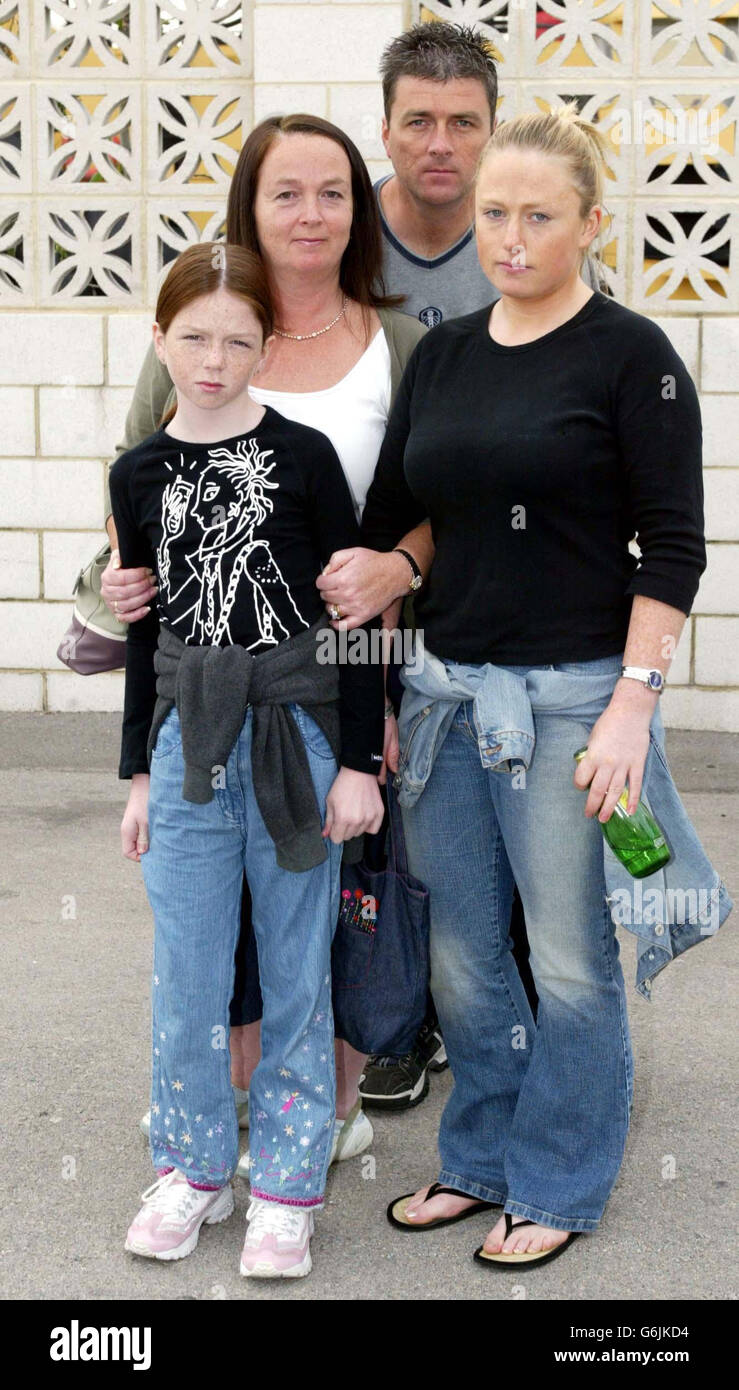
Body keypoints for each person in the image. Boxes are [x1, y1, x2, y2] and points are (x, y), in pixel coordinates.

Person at [361, 105, 731, 1267]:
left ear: (589, 222)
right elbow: (404, 526)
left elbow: (673, 545)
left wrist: (632, 704)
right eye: (492, 213)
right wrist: (381, 645)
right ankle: (477, 1159)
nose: (509, 237)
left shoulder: (632, 359)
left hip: (573, 701)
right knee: (463, 954)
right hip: (444, 697)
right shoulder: (451, 354)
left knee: (568, 958)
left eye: (537, 215)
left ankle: (562, 1179)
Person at [100, 114, 430, 1165]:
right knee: (217, 918)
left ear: (358, 206)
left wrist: (398, 571)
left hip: (348, 668)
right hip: (206, 686)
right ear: (249, 205)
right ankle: (228, 1114)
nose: (310, 213)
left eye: (332, 191)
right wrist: (120, 574)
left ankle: (320, 1117)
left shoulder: (402, 341)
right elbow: (140, 483)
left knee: (335, 898)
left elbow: (440, 496)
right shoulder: (204, 320)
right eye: (285, 191)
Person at [110, 241, 386, 1277]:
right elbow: (145, 637)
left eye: (237, 339)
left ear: (266, 345)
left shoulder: (307, 455)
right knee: (185, 971)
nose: (214, 360)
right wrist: (139, 774)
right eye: (193, 338)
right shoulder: (137, 472)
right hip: (188, 743)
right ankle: (190, 1167)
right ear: (159, 338)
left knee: (293, 962)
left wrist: (357, 759)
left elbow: (352, 612)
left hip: (297, 735)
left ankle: (284, 1183)